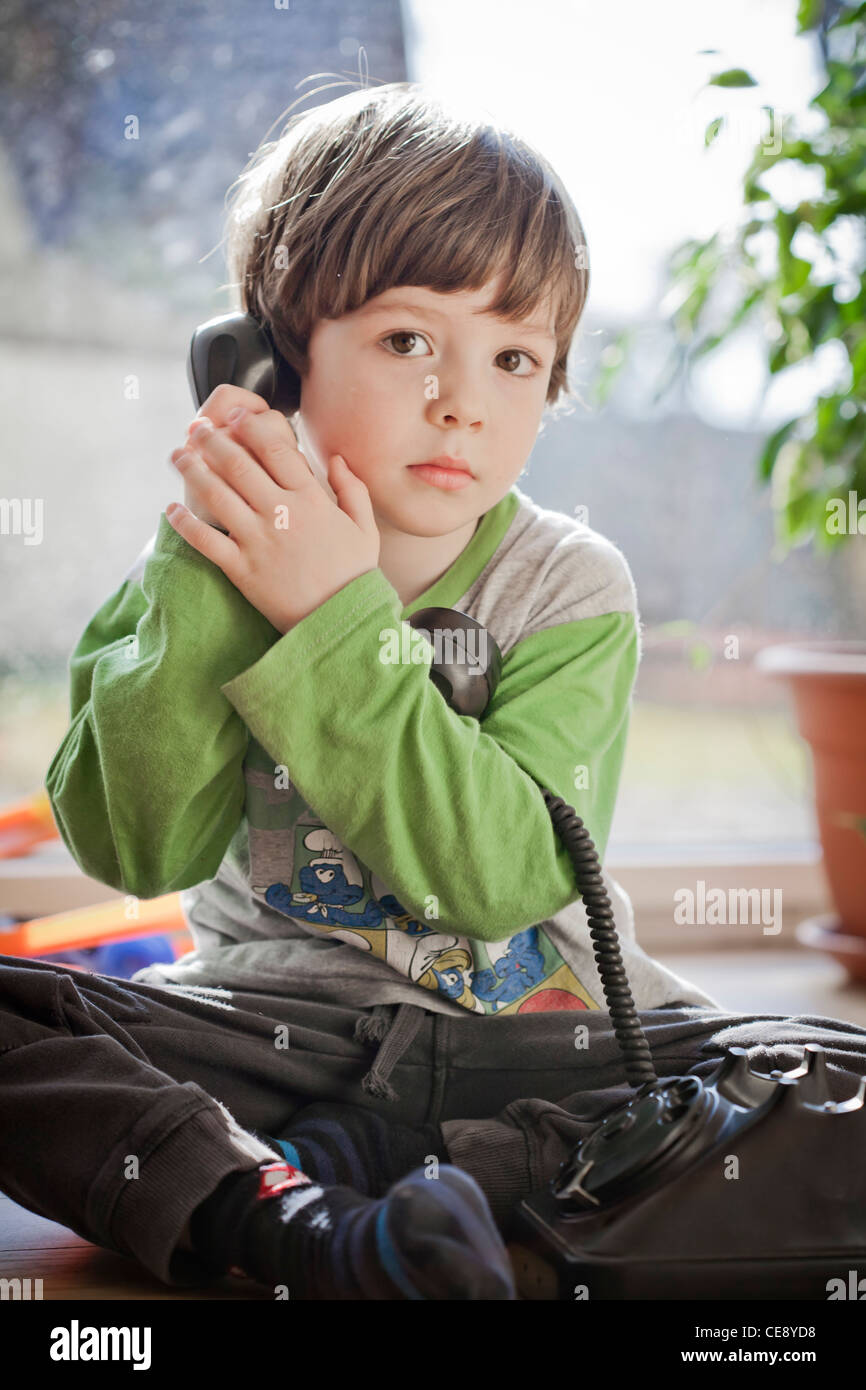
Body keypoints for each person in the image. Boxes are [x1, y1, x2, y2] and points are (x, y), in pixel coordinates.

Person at [6, 80, 866, 1302]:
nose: (463, 396)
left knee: (834, 1086)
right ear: (280, 352)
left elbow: (504, 875)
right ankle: (295, 1221)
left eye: (514, 356)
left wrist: (332, 619)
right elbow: (136, 843)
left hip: (545, 1041)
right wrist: (216, 553)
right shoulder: (206, 556)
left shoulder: (570, 585)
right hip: (275, 1038)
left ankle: (435, 1173)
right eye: (409, 339)